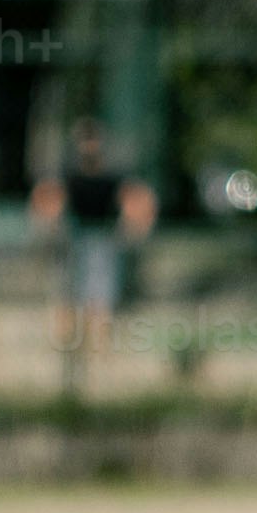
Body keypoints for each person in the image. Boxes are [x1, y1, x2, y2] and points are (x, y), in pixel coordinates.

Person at [23, 118, 158, 390]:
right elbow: (46, 203)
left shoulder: (112, 175)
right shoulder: (68, 173)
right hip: (74, 241)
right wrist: (49, 228)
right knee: (67, 301)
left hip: (100, 241)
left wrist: (130, 229)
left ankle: (99, 361)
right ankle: (67, 359)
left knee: (98, 303)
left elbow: (139, 201)